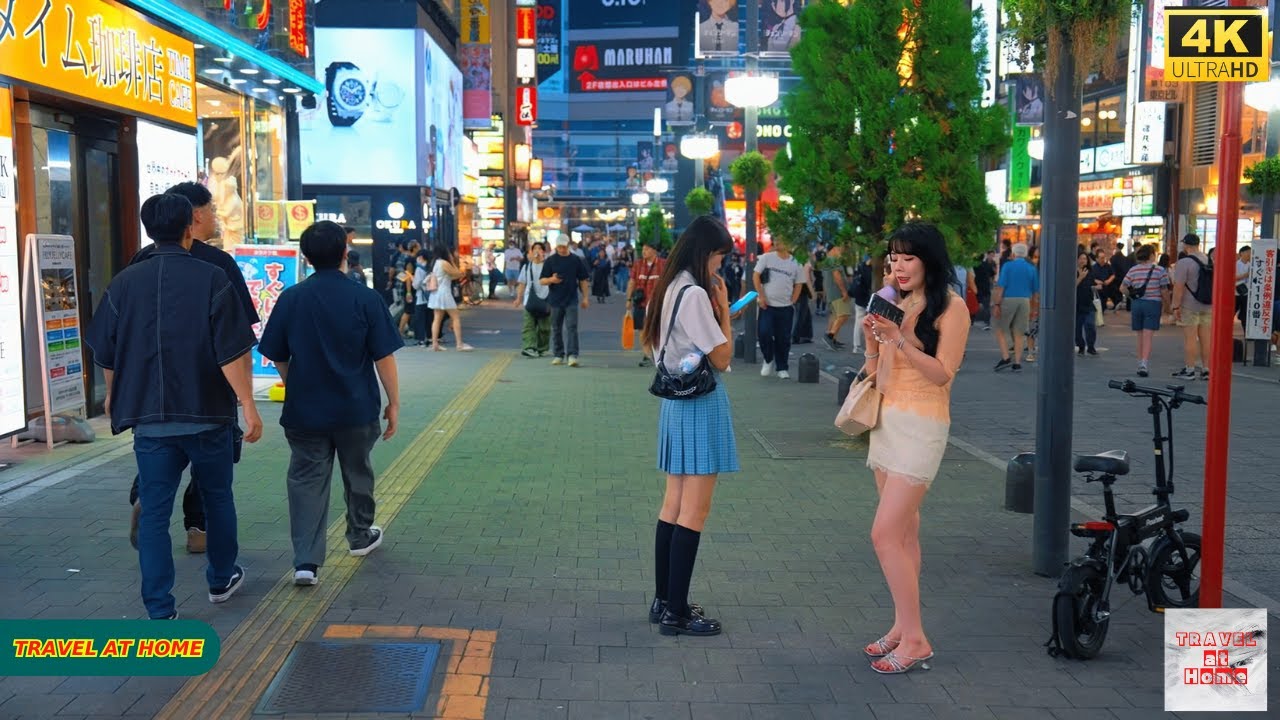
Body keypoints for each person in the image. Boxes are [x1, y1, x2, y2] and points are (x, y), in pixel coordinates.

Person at [86, 193, 263, 619]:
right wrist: (247, 405)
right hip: (207, 412)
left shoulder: (124, 282)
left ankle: (159, 606)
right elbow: (230, 353)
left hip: (149, 417)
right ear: (189, 226)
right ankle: (221, 579)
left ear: (149, 230)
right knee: (218, 498)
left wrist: (113, 393)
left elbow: (105, 351)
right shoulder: (211, 277)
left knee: (155, 511)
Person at [257, 221, 402, 586]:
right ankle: (359, 535)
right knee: (358, 471)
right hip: (356, 408)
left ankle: (306, 562)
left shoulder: (291, 297)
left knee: (306, 480)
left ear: (305, 257)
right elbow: (384, 357)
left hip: (305, 411)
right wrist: (394, 403)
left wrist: (295, 383)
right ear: (344, 254)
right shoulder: (365, 298)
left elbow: (276, 353)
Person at [124, 181, 259, 553]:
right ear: (195, 215)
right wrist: (246, 398)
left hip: (151, 390)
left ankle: (145, 496)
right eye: (213, 209)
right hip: (209, 390)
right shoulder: (218, 264)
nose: (217, 216)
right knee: (212, 467)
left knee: (160, 455)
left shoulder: (139, 262)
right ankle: (198, 529)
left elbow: (117, 333)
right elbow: (238, 336)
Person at [860, 222, 970, 674]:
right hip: (886, 420)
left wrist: (899, 339)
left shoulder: (952, 307)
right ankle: (903, 629)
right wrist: (873, 340)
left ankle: (917, 638)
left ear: (929, 259)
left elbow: (943, 373)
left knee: (883, 534)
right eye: (894, 257)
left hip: (922, 426)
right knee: (904, 533)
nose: (898, 266)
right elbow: (877, 370)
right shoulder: (897, 301)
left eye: (908, 257)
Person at [640, 216, 737, 638]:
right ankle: (677, 613)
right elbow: (721, 358)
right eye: (718, 257)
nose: (719, 266)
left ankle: (664, 601)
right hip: (700, 402)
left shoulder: (668, 285)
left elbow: (651, 344)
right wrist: (726, 316)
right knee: (694, 511)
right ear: (705, 253)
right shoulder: (696, 293)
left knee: (673, 506)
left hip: (674, 405)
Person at [753, 243, 804, 379]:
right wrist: (761, 296)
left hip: (785, 307)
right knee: (764, 333)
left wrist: (793, 299)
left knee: (784, 338)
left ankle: (782, 367)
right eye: (777, 238)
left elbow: (799, 283)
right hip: (767, 306)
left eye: (783, 239)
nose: (779, 242)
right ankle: (768, 359)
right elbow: (756, 276)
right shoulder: (767, 258)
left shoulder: (796, 262)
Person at [1120, 244, 1171, 377]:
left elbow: (1122, 288)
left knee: (1140, 335)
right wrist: (1168, 306)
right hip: (1153, 304)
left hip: (1137, 304)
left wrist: (1132, 296)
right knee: (1148, 335)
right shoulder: (1160, 270)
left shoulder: (1133, 270)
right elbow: (1164, 290)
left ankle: (1139, 362)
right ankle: (1144, 363)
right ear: (1152, 255)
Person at [541, 236, 591, 367]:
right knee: (556, 328)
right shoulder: (550, 261)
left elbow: (583, 280)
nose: (562, 249)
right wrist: (551, 280)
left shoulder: (575, 260)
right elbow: (542, 280)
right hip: (555, 300)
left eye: (564, 246)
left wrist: (585, 298)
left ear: (568, 245)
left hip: (571, 299)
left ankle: (572, 355)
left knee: (572, 327)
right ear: (556, 246)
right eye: (559, 247)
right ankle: (558, 354)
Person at [1170, 234, 1213, 380]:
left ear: (1185, 245)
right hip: (1208, 304)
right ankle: (1206, 368)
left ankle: (1190, 369)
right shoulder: (1209, 259)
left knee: (1190, 338)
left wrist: (1175, 307)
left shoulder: (1184, 262)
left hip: (1189, 305)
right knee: (1205, 338)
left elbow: (1179, 287)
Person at [991, 243, 1038, 372]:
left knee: (999, 327)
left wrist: (996, 304)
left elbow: (1001, 287)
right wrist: (1034, 309)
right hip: (1025, 301)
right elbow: (1035, 292)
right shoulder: (1031, 268)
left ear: (1013, 253)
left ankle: (1006, 357)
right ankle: (1017, 363)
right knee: (1019, 332)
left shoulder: (1008, 266)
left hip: (1009, 299)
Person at [429, 243, 475, 352]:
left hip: (436, 294)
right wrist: (453, 261)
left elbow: (452, 276)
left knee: (437, 319)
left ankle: (435, 344)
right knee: (455, 317)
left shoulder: (435, 263)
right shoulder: (444, 263)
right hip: (444, 293)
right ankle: (459, 344)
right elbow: (458, 273)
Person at [627, 243, 667, 368]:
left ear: (654, 251)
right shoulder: (638, 264)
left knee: (657, 329)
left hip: (658, 303)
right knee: (642, 329)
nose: (644, 251)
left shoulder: (663, 264)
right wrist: (628, 299)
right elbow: (632, 281)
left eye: (647, 249)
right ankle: (647, 355)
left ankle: (659, 354)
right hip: (641, 302)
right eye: (643, 249)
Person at [514, 241, 552, 357]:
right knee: (528, 325)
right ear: (531, 252)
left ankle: (542, 348)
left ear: (544, 252)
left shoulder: (549, 266)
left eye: (540, 249)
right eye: (534, 249)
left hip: (546, 299)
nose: (537, 251)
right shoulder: (527, 267)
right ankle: (529, 347)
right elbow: (521, 284)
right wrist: (518, 298)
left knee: (544, 327)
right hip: (529, 300)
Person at [1074, 251, 1103, 356]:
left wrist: (1096, 286)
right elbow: (1071, 288)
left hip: (1088, 303)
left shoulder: (1090, 272)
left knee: (1090, 325)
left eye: (1085, 259)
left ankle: (1091, 347)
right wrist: (1080, 277)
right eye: (1080, 258)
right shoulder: (1072, 271)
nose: (1083, 261)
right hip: (1076, 305)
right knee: (1076, 329)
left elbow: (1094, 284)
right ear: (1076, 259)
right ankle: (1081, 346)